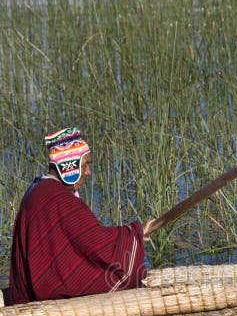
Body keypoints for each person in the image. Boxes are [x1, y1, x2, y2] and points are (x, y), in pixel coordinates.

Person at [8, 127, 155, 305]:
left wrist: (136, 232)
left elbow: (83, 240)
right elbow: (96, 244)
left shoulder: (39, 188)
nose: (88, 172)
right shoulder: (58, 198)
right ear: (69, 166)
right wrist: (134, 234)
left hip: (29, 295)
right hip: (45, 300)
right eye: (86, 164)